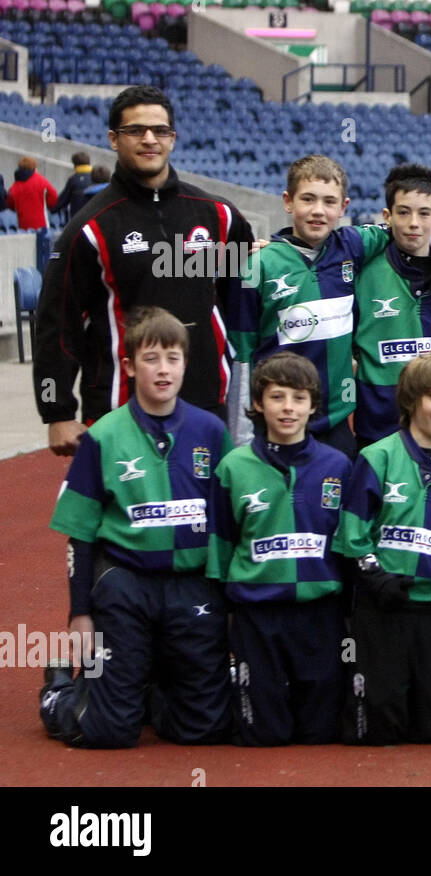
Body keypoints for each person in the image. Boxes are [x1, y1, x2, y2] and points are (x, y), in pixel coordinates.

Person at [40, 307, 233, 748]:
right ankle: (58, 690)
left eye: (173, 358)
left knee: (205, 728)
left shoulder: (211, 431)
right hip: (125, 586)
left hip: (192, 586)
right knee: (108, 731)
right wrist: (80, 614)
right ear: (129, 366)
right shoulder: (102, 437)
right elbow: (81, 534)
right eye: (151, 358)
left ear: (186, 363)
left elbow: (226, 524)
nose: (163, 370)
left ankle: (148, 683)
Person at [33, 85, 255, 457]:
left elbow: (244, 304)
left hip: (206, 404)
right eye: (136, 131)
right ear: (114, 140)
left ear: (173, 138)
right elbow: (57, 323)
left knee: (205, 514)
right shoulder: (89, 229)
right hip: (120, 407)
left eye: (160, 130)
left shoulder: (218, 215)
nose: (149, 139)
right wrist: (57, 412)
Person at [229, 155, 431, 457]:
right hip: (277, 419)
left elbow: (412, 230)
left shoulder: (353, 245)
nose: (319, 211)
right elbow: (241, 358)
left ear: (343, 207)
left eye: (329, 202)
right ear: (288, 202)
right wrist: (241, 439)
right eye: (308, 199)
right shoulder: (258, 266)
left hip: (335, 425)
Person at [333, 353, 431, 744]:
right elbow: (353, 534)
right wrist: (374, 575)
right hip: (385, 609)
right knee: (378, 729)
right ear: (410, 401)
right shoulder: (377, 457)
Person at [206, 352, 352, 745]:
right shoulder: (233, 467)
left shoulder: (338, 467)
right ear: (257, 403)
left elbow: (348, 543)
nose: (288, 408)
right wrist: (226, 610)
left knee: (320, 734)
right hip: (257, 612)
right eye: (277, 397)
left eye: (299, 398)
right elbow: (221, 544)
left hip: (320, 612)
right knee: (263, 736)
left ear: (314, 406)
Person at [351, 163, 431, 447]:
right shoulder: (362, 273)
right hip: (379, 433)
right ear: (387, 216)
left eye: (424, 213)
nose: (414, 223)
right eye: (403, 212)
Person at [6, 155, 57, 230]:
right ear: (34, 167)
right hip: (41, 224)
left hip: (22, 225)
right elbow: (53, 196)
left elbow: (10, 204)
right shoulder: (40, 180)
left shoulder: (14, 186)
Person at [53, 152, 95, 219]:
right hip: (93, 218)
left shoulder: (73, 179)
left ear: (75, 165)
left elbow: (63, 200)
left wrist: (53, 209)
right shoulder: (96, 178)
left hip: (77, 219)